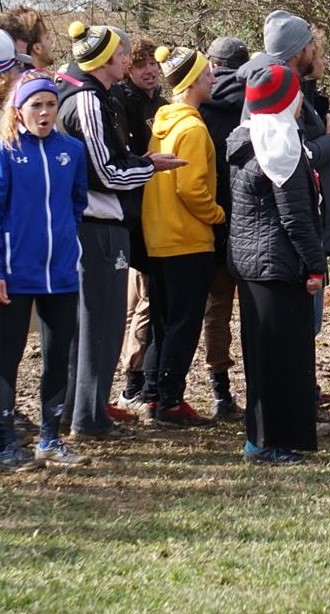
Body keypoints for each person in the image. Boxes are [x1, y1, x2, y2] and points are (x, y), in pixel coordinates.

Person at [57, 21, 183, 440]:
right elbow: (106, 171)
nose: (130, 60)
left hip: (99, 222)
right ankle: (86, 416)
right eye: (124, 55)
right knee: (99, 324)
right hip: (96, 224)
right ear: (107, 60)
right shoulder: (88, 101)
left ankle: (80, 411)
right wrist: (150, 166)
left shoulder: (96, 96)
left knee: (99, 322)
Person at [228, 64, 325, 464]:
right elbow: (295, 216)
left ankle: (263, 437)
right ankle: (270, 441)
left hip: (252, 263)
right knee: (282, 357)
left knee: (263, 356)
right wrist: (316, 264)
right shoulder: (279, 145)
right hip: (278, 264)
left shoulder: (244, 138)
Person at [0, 72, 91, 470]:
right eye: (35, 105)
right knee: (8, 356)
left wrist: (66, 242)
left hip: (61, 274)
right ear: (18, 110)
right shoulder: (5, 151)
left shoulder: (71, 150)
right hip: (13, 273)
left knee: (58, 355)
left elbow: (77, 202)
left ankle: (50, 438)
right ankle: (6, 442)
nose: (44, 112)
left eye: (50, 105)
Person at [140, 45, 225, 426]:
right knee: (184, 323)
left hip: (157, 238)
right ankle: (172, 401)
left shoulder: (162, 124)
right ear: (191, 82)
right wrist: (218, 214)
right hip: (187, 239)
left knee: (163, 321)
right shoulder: (191, 128)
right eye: (208, 74)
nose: (214, 78)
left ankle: (154, 396)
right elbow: (191, 188)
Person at [111, 35, 168, 418]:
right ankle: (132, 383)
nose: (149, 70)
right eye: (140, 64)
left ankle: (143, 379)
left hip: (158, 211)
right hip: (131, 213)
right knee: (141, 301)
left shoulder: (161, 105)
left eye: (153, 64)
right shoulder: (122, 103)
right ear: (127, 68)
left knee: (149, 299)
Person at [198, 36, 249, 419]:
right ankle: (263, 386)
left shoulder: (198, 108)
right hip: (251, 221)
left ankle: (220, 392)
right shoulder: (256, 105)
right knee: (255, 310)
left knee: (216, 310)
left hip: (211, 219)